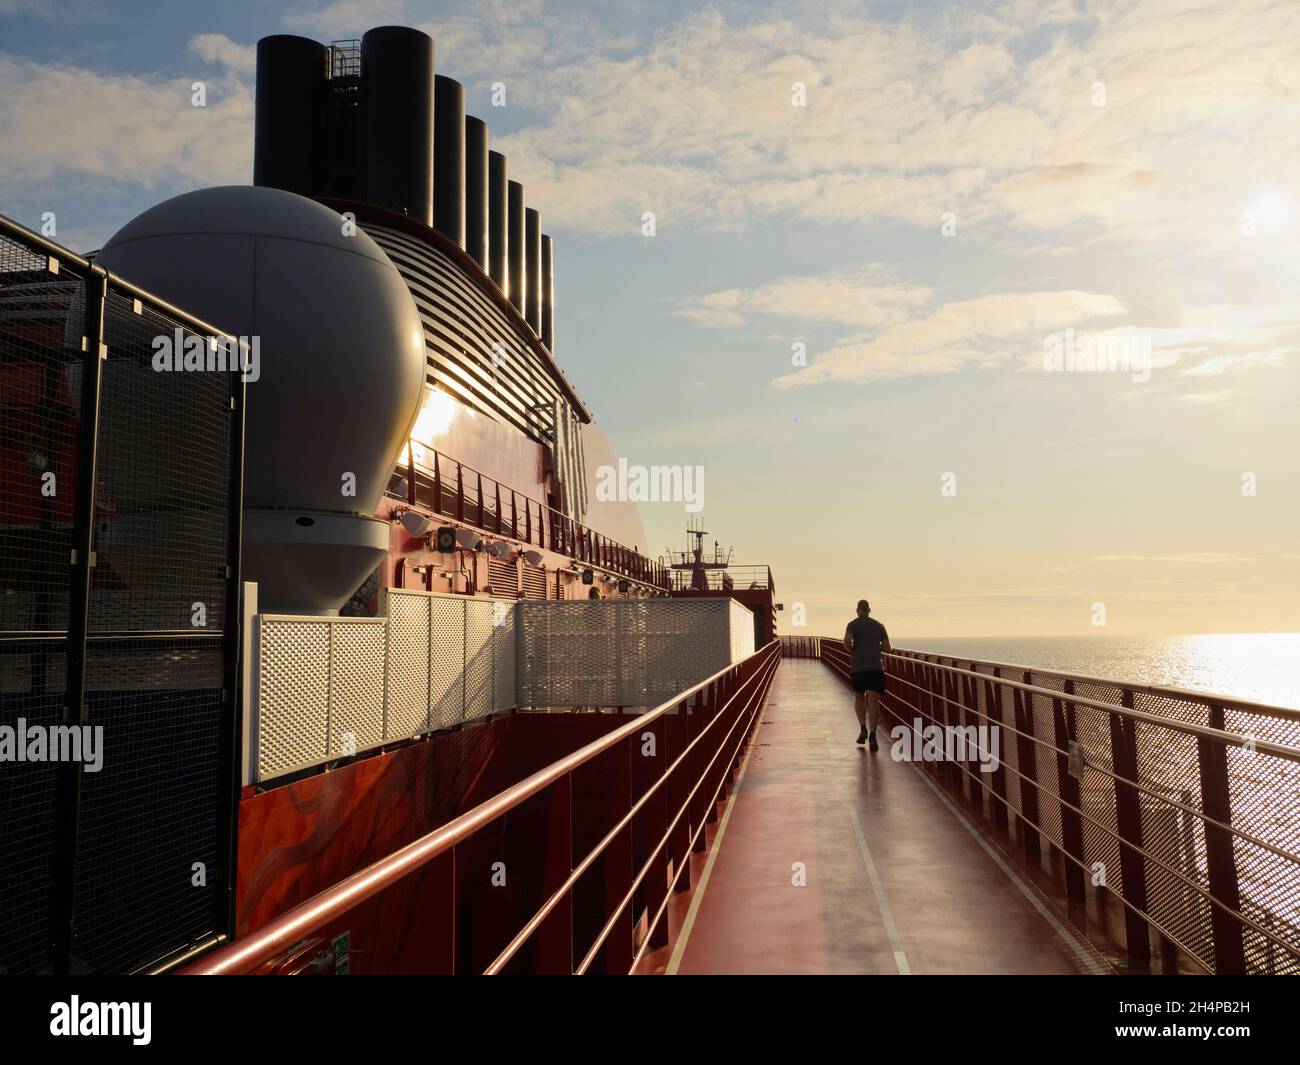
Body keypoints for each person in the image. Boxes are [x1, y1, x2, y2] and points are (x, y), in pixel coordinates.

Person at [844, 599, 890, 749]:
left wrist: (853, 651)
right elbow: (888, 648)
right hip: (876, 668)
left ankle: (863, 727)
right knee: (873, 702)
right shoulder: (879, 625)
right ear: (869, 610)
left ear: (857, 610)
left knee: (859, 697)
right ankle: (873, 736)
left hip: (858, 667)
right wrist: (876, 647)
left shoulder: (852, 624)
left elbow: (847, 640)